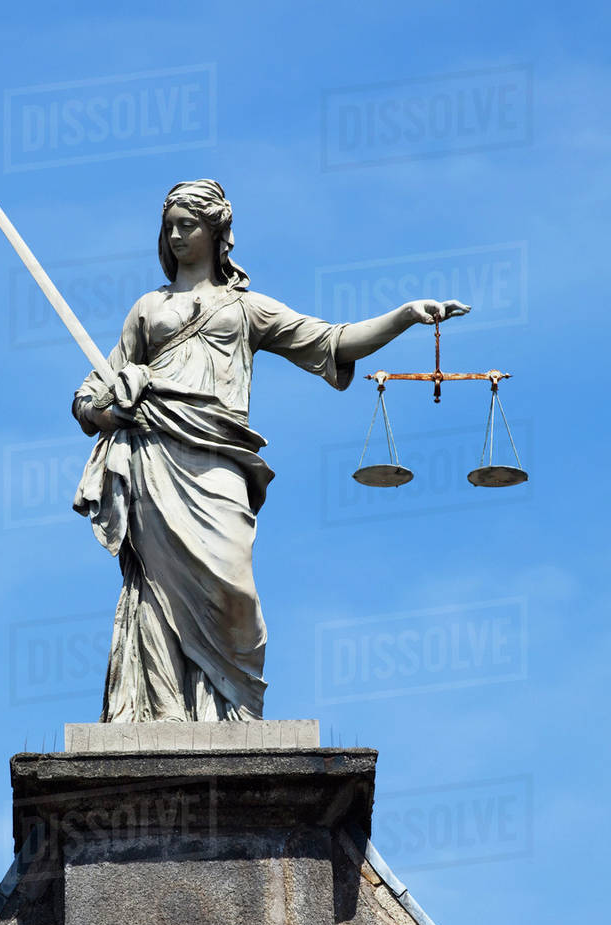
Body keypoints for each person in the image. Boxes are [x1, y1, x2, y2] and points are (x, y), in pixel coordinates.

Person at [72, 179, 468, 723]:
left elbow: (331, 341)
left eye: (188, 224)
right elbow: (88, 397)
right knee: (157, 586)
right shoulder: (147, 309)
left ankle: (229, 704)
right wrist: (110, 408)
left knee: (234, 588)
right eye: (170, 227)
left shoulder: (246, 309)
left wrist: (403, 316)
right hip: (153, 451)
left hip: (218, 459)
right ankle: (165, 711)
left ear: (216, 231)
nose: (176, 234)